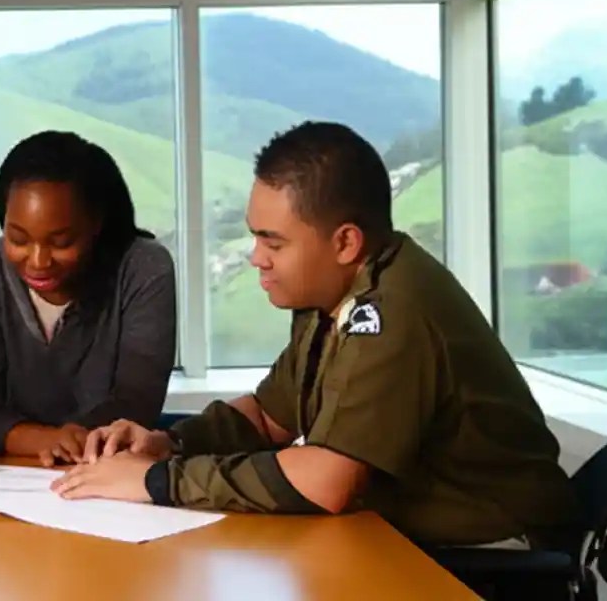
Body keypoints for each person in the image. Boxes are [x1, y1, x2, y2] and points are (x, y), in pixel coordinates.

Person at [51, 120, 579, 552]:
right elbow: (270, 416)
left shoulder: (392, 312)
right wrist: (167, 443)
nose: (256, 258)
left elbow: (325, 480)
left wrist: (155, 482)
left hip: (492, 555)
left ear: (345, 241)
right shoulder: (330, 296)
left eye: (273, 243)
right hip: (403, 536)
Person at [0, 130, 177, 467]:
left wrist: (72, 439)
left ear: (96, 224)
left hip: (103, 464)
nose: (38, 261)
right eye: (18, 239)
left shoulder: (143, 269)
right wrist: (49, 440)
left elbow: (137, 401)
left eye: (62, 242)